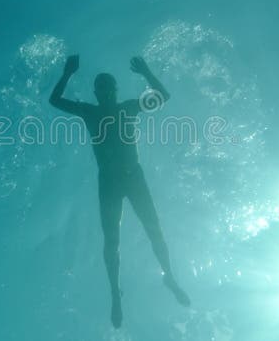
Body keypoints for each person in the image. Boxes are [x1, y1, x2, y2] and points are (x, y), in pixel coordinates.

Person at [49, 54, 190, 328]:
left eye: (108, 87)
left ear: (114, 90)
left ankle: (169, 276)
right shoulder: (89, 111)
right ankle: (115, 293)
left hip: (134, 177)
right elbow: (54, 101)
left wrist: (147, 72)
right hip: (109, 182)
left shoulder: (128, 107)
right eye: (100, 88)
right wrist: (67, 74)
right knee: (111, 241)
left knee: (154, 229)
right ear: (96, 93)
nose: (105, 92)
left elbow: (163, 96)